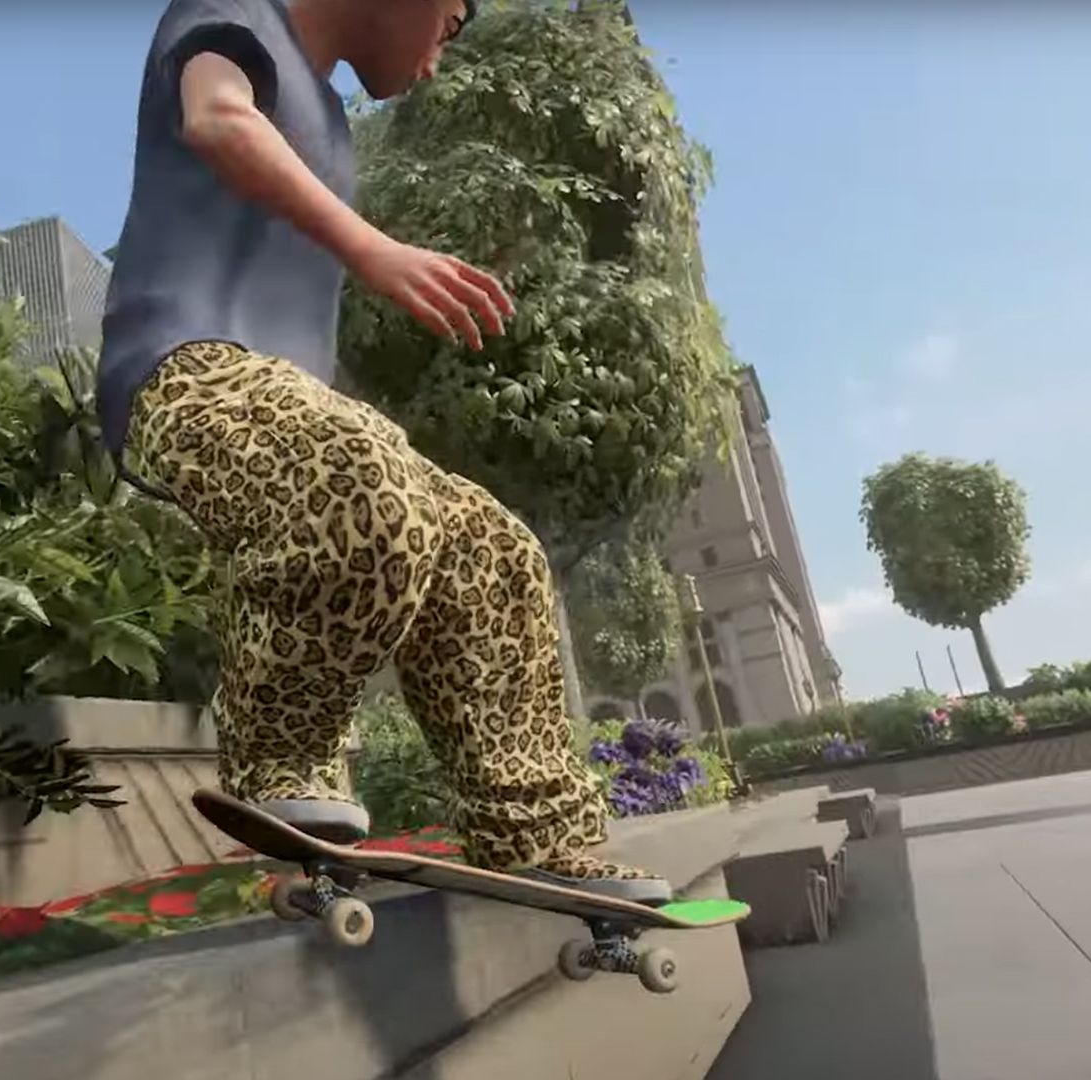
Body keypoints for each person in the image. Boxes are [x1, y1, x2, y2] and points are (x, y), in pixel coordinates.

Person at [97, 0, 669, 903]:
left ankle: (532, 830)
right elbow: (216, 118)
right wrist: (374, 251)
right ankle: (279, 757)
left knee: (494, 552)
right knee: (360, 481)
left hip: (289, 401)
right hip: (182, 371)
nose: (440, 58)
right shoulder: (236, 16)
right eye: (451, 23)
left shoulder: (330, 123)